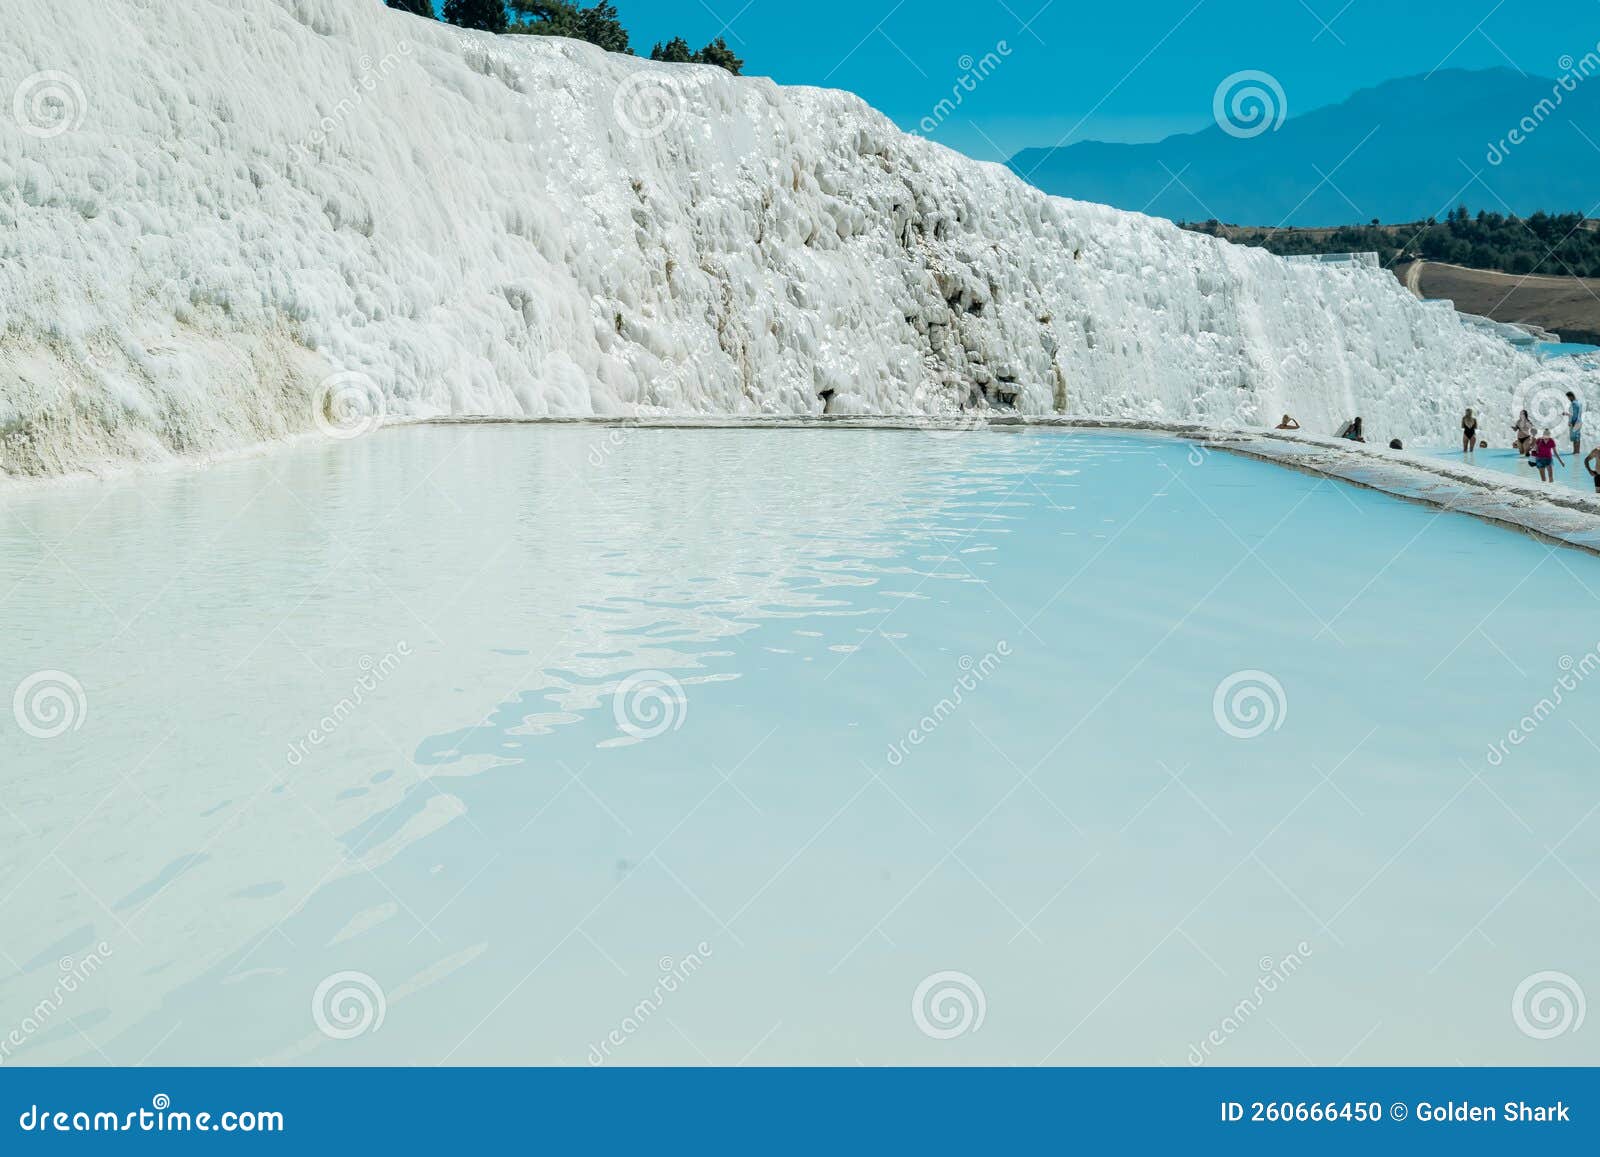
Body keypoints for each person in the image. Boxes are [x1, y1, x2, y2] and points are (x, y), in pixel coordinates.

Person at [1569, 391, 1583, 457]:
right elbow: (1579, 413)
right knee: (1578, 437)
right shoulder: (1579, 403)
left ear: (1571, 396)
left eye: (1569, 397)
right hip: (1579, 421)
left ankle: (1575, 451)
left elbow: (1574, 414)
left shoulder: (1573, 403)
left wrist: (1571, 422)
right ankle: (1577, 451)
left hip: (1575, 421)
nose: (1568, 399)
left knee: (1575, 437)